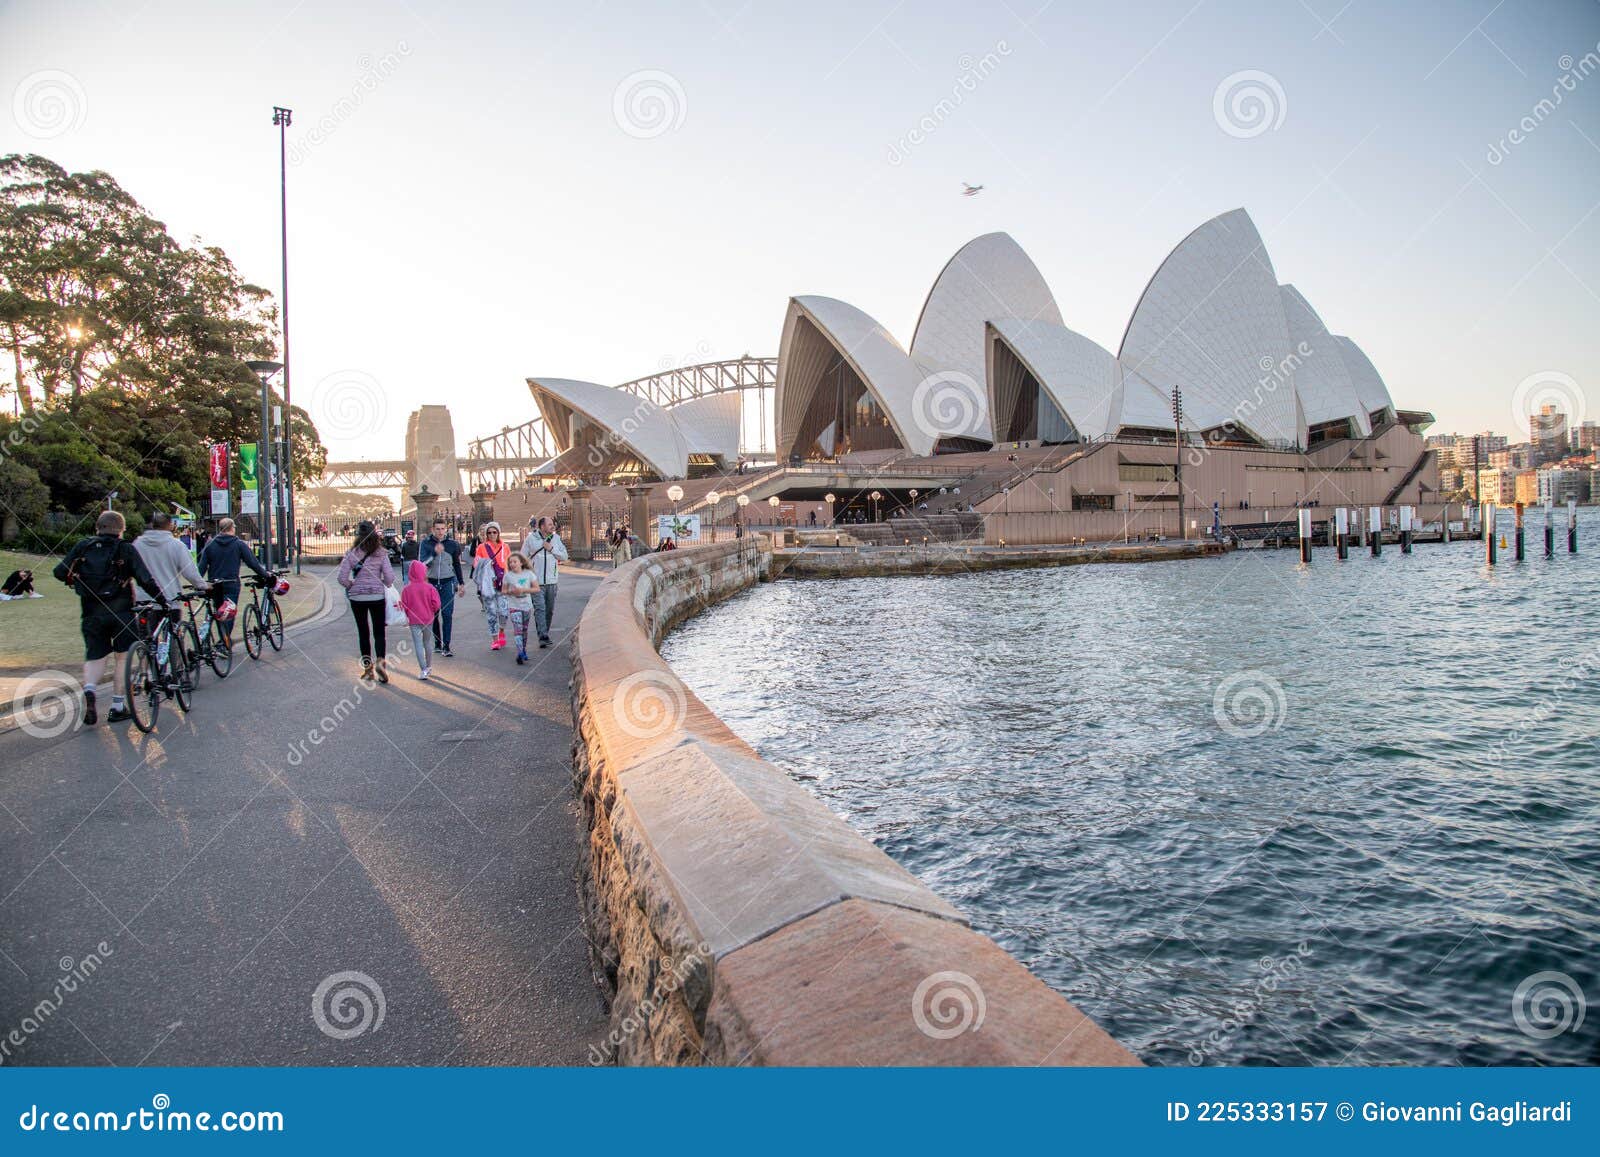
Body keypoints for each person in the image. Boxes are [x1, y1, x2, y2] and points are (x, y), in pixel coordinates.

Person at [53, 510, 164, 724]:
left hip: (92, 610)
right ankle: (117, 704)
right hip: (121, 611)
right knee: (122, 656)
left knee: (95, 655)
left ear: (97, 527)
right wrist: (162, 600)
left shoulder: (83, 546)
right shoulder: (125, 549)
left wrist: (78, 582)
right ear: (121, 530)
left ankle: (90, 689)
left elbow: (59, 572)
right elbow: (144, 578)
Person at [134, 512, 210, 659]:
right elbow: (190, 572)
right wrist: (203, 585)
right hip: (169, 598)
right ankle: (177, 671)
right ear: (170, 525)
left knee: (148, 640)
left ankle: (149, 671)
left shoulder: (138, 544)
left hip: (144, 598)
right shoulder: (176, 545)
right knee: (172, 636)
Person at [199, 516, 271, 648]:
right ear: (232, 528)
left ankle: (223, 640)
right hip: (231, 583)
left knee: (219, 612)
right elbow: (253, 563)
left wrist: (199, 583)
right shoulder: (238, 544)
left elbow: (201, 567)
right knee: (229, 613)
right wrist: (265, 575)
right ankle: (224, 642)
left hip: (215, 585)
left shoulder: (210, 544)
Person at [337, 521, 395, 682]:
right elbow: (390, 577)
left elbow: (341, 578)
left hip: (357, 597)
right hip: (377, 596)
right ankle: (381, 665)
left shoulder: (351, 553)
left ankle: (367, 669)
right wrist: (383, 583)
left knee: (363, 633)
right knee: (379, 633)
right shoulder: (382, 553)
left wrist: (352, 585)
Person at [418, 518, 465, 657]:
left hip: (447, 583)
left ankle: (446, 646)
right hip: (431, 583)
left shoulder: (452, 544)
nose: (440, 532)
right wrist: (434, 553)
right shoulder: (425, 544)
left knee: (447, 614)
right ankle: (437, 644)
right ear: (432, 529)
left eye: (442, 529)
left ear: (446, 529)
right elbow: (421, 564)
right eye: (437, 529)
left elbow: (457, 564)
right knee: (434, 615)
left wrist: (461, 583)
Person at [519, 516, 567, 649]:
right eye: (550, 524)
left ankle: (544, 631)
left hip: (552, 581)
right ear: (542, 526)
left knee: (549, 610)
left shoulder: (556, 539)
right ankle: (543, 636)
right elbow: (522, 557)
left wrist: (552, 549)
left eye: (553, 524)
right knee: (540, 608)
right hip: (536, 581)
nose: (552, 526)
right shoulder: (531, 539)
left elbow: (565, 556)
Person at [398, 560, 441, 680]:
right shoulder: (430, 588)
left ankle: (423, 669)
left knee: (417, 644)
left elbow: (404, 606)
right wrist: (431, 611)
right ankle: (429, 666)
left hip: (413, 620)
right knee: (427, 642)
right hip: (428, 619)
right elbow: (437, 604)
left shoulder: (406, 589)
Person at [472, 521, 510, 650]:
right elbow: (476, 564)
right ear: (486, 534)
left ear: (498, 533)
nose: (492, 534)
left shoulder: (505, 547)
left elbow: (510, 564)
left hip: (502, 583)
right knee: (491, 612)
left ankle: (501, 631)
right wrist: (486, 562)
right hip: (488, 583)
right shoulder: (481, 547)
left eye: (494, 532)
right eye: (489, 532)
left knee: (504, 611)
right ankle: (494, 639)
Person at [501, 552, 538, 664]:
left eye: (515, 561)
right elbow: (503, 591)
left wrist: (523, 590)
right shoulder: (508, 576)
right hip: (514, 606)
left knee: (524, 630)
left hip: (526, 606)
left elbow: (536, 589)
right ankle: (520, 652)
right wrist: (511, 592)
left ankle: (524, 650)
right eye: (510, 562)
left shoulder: (529, 574)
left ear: (521, 563)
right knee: (518, 630)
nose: (512, 564)